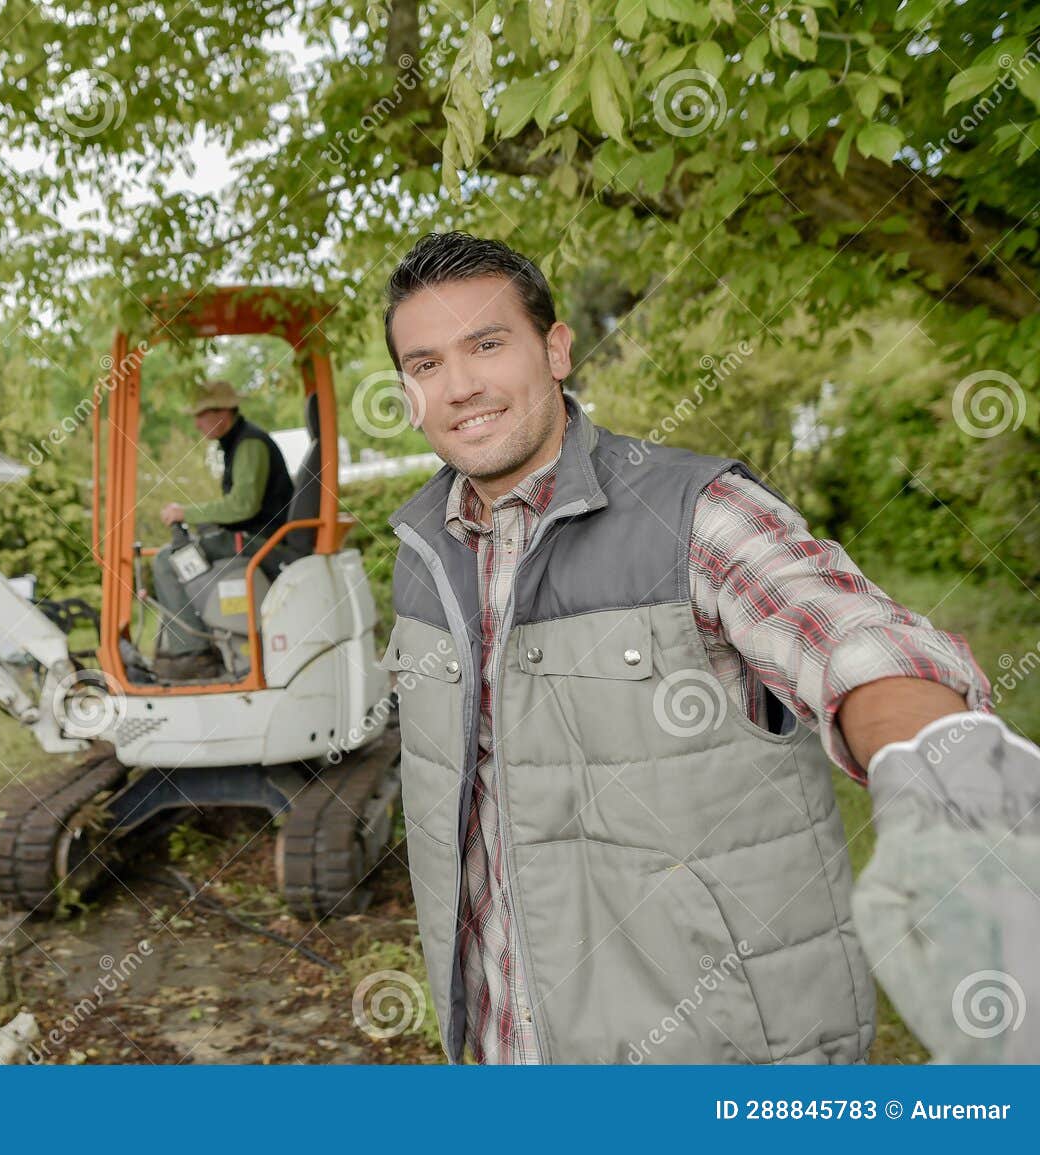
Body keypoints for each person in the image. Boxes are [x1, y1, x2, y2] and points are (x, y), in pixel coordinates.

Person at [380, 230, 1035, 1064]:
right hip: (499, 1045)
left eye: (486, 344)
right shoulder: (421, 555)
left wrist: (953, 772)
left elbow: (846, 636)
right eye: (426, 363)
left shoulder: (694, 510)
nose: (460, 384)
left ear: (555, 349)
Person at [150, 380, 293, 681]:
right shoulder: (236, 443)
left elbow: (242, 506)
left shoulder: (250, 444)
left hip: (261, 542)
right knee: (180, 556)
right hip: (253, 538)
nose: (197, 423)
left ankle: (192, 653)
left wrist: (184, 512)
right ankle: (203, 641)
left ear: (224, 411)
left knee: (167, 561)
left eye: (202, 415)